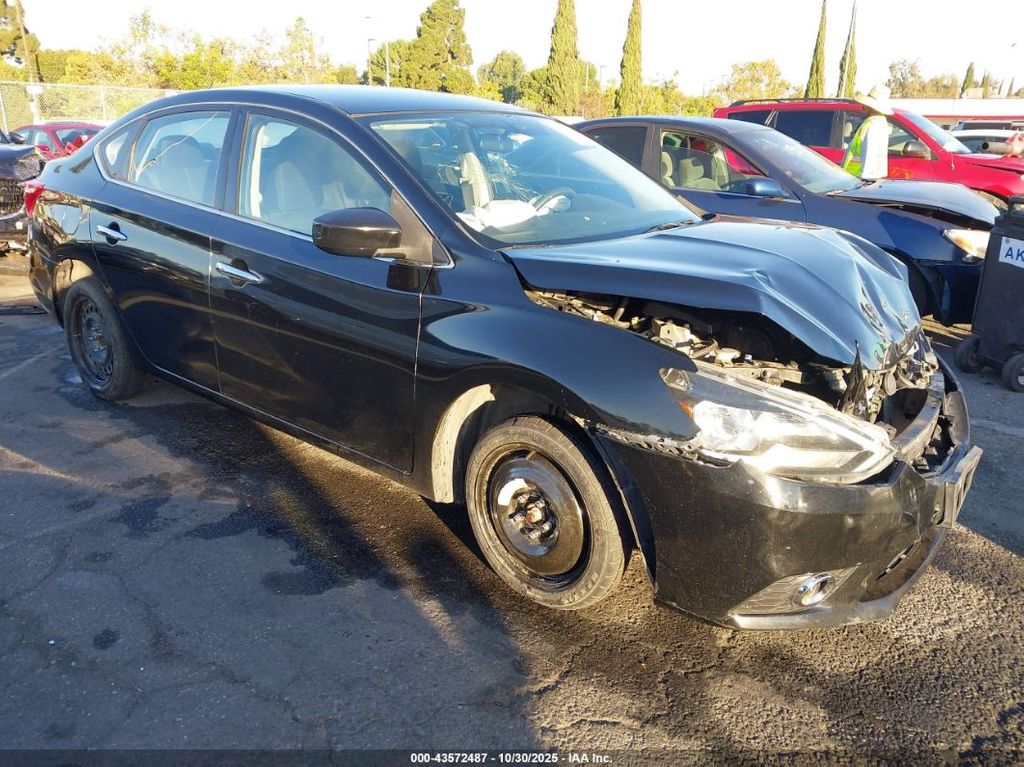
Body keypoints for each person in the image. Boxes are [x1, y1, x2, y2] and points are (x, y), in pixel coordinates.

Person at [842, 85, 894, 181]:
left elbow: (868, 157)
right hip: (866, 179)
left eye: (866, 104)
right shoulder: (880, 122)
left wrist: (865, 182)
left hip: (859, 180)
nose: (863, 106)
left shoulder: (872, 125)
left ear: (872, 107)